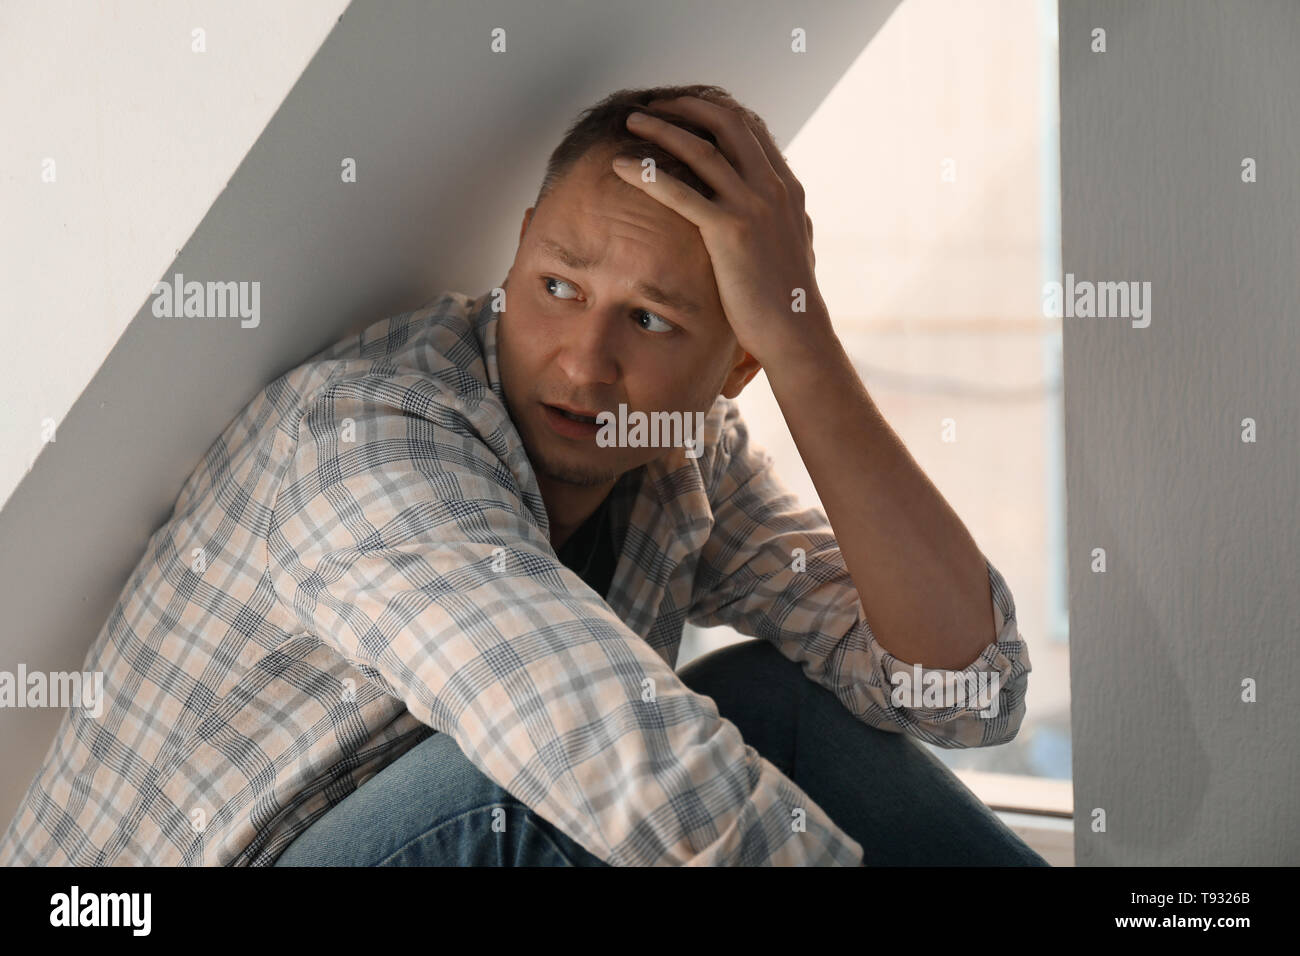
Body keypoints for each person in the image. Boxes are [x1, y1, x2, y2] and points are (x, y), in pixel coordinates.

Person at [0, 84, 1044, 866]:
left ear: (733, 364)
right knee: (546, 785)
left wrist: (803, 341)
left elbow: (964, 687)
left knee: (775, 702)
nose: (583, 361)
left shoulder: (682, 450)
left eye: (649, 319)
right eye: (556, 286)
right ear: (513, 258)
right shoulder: (370, 437)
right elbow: (615, 760)